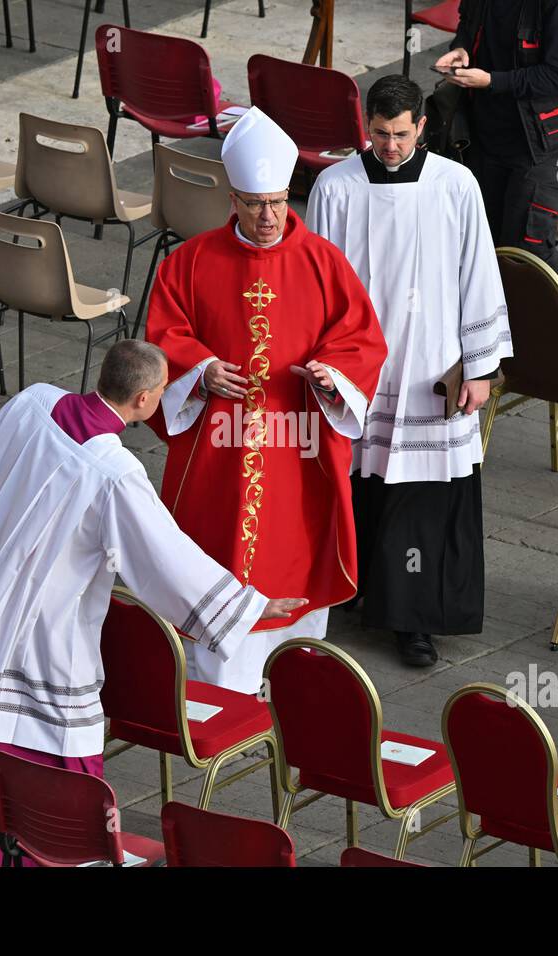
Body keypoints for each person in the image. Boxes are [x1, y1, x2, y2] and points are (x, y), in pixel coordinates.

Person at [0, 339, 305, 866]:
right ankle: (40, 847)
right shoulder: (113, 473)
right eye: (163, 391)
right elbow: (165, 557)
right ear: (144, 399)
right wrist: (249, 606)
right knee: (35, 734)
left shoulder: (31, 401)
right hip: (36, 625)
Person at [145, 107, 387, 694]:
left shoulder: (322, 262)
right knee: (216, 555)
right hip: (219, 445)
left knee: (294, 556)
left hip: (296, 444)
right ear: (233, 198)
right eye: (255, 204)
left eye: (278, 202)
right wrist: (200, 372)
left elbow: (361, 338)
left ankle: (295, 685)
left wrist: (331, 376)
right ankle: (216, 695)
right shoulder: (191, 261)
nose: (268, 216)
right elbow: (160, 338)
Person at [308, 74, 511, 667]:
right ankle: (357, 585)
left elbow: (478, 274)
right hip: (357, 368)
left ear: (422, 127)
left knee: (420, 494)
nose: (389, 146)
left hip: (429, 365)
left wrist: (480, 368)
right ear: (364, 127)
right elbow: (317, 284)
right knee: (361, 483)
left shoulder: (456, 185)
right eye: (378, 134)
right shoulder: (335, 187)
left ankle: (412, 621)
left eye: (400, 134)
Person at [436, 0, 558, 342]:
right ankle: (502, 323)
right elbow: (469, 24)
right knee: (486, 234)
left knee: (529, 241)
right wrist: (461, 49)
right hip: (490, 126)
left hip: (549, 135)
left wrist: (492, 81)